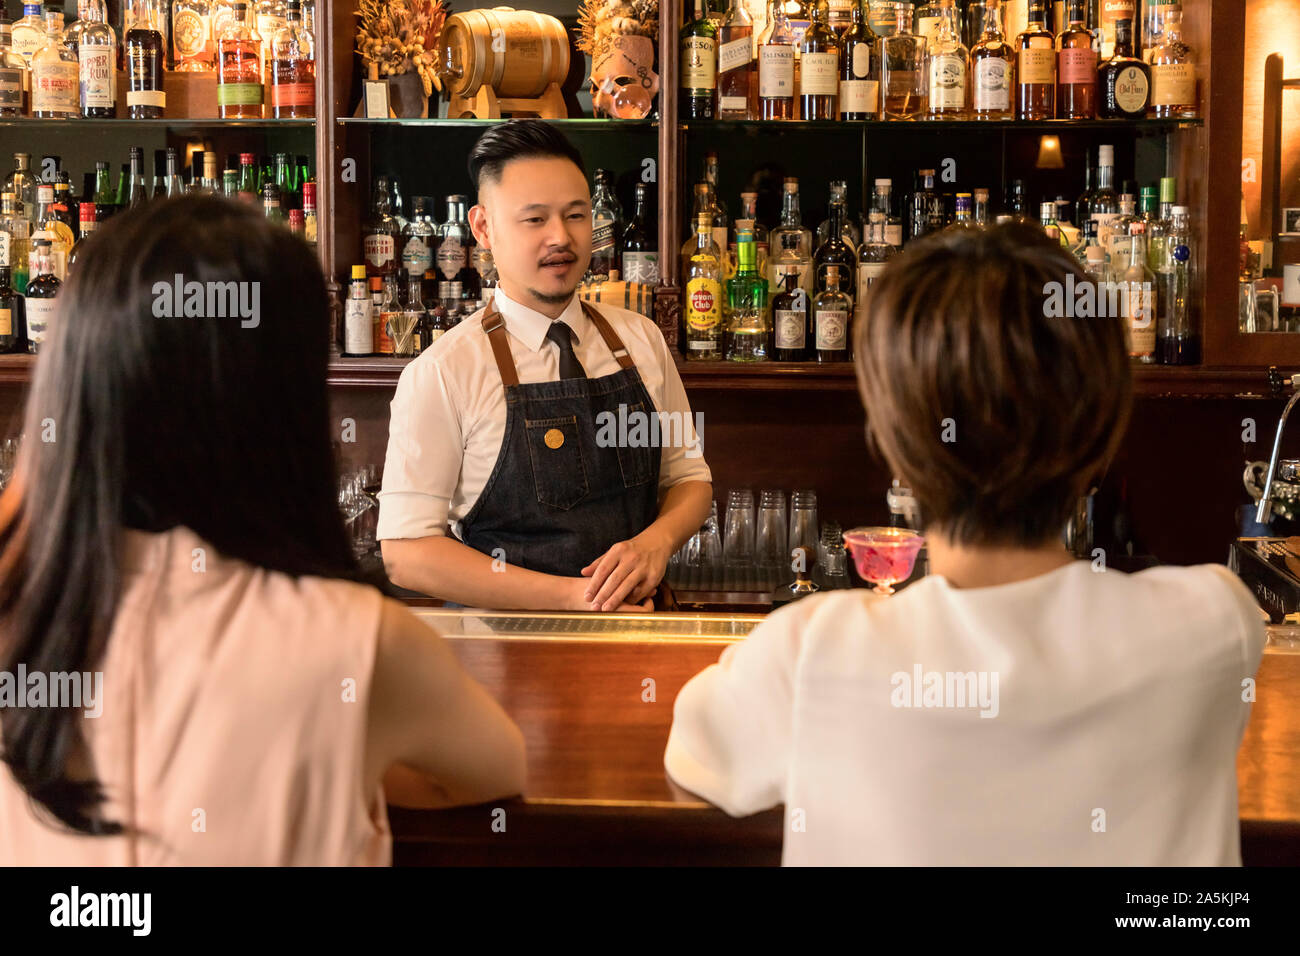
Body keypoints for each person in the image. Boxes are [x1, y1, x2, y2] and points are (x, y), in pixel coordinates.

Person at [663, 223, 1267, 866]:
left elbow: (693, 762)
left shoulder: (807, 653)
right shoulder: (1215, 621)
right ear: (1103, 429)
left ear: (892, 444)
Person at [0, 196, 525, 865]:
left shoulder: (18, 604)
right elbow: (497, 770)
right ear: (284, 398)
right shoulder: (358, 641)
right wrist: (341, 756)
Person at [378, 120, 712, 612]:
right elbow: (406, 554)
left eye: (576, 215)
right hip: (504, 646)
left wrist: (655, 543)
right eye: (534, 219)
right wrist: (577, 598)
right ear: (483, 227)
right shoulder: (443, 372)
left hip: (637, 631)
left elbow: (689, 479)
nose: (561, 237)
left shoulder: (642, 340)